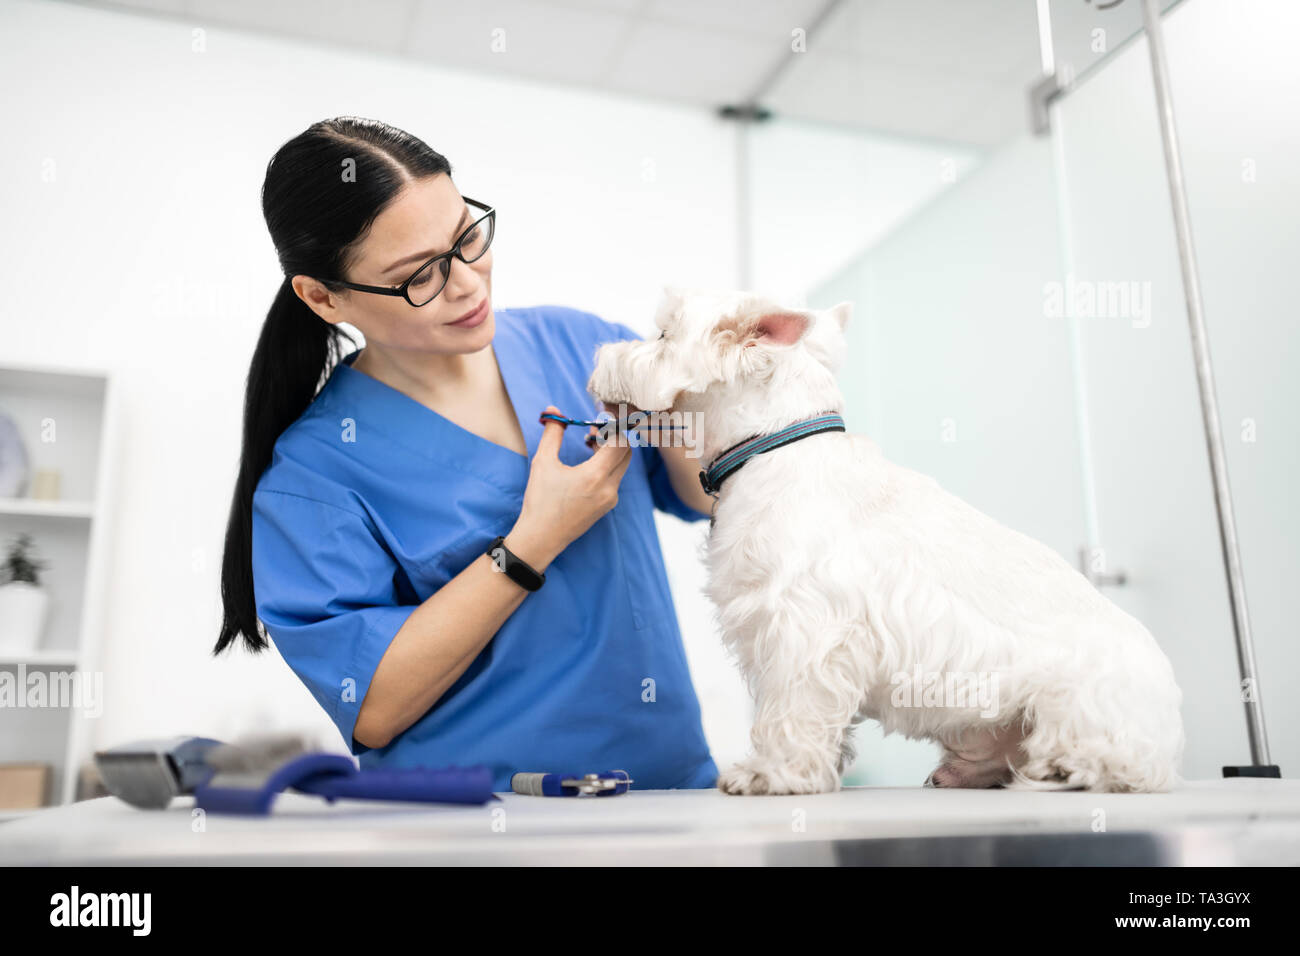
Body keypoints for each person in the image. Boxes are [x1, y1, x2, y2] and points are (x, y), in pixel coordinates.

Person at [214, 117, 719, 792]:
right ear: (322, 296)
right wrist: (533, 542)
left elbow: (703, 494)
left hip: (667, 789)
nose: (468, 284)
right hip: (474, 822)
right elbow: (374, 707)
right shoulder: (316, 473)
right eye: (420, 274)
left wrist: (694, 390)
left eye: (467, 238)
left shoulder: (582, 345)